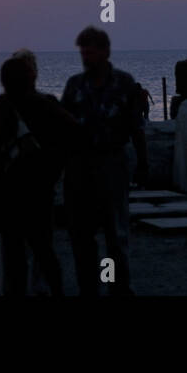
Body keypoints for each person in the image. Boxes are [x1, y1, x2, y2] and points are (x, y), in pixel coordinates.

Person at [61, 26, 148, 297]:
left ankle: (119, 288)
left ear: (105, 52)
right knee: (81, 235)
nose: (87, 57)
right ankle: (89, 289)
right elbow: (63, 127)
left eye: (91, 51)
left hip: (111, 165)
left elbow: (136, 127)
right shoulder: (74, 85)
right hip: (79, 168)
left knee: (115, 234)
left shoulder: (123, 83)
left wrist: (143, 163)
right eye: (83, 52)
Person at [0, 52, 80, 296]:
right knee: (45, 251)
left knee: (14, 254)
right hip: (40, 190)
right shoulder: (46, 103)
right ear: (32, 77)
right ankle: (54, 292)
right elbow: (74, 134)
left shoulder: (2, 106)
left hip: (10, 191)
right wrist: (53, 170)